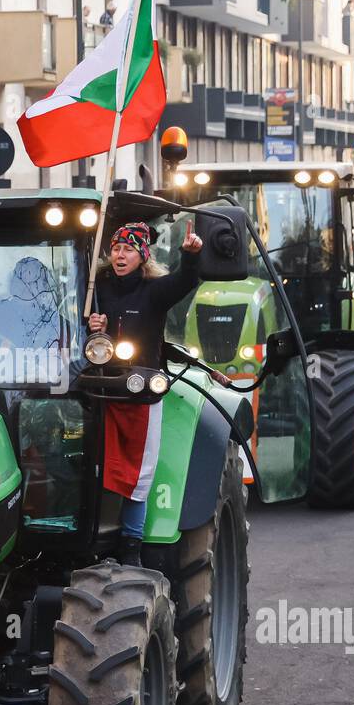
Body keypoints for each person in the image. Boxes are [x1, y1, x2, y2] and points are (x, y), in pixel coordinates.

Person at [89, 219, 203, 565]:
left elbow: (185, 280)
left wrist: (191, 256)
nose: (120, 255)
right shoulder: (97, 289)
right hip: (102, 393)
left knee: (140, 472)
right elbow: (82, 329)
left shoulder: (154, 291)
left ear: (142, 255)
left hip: (141, 394)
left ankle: (131, 546)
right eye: (116, 249)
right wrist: (93, 325)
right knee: (97, 466)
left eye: (128, 249)